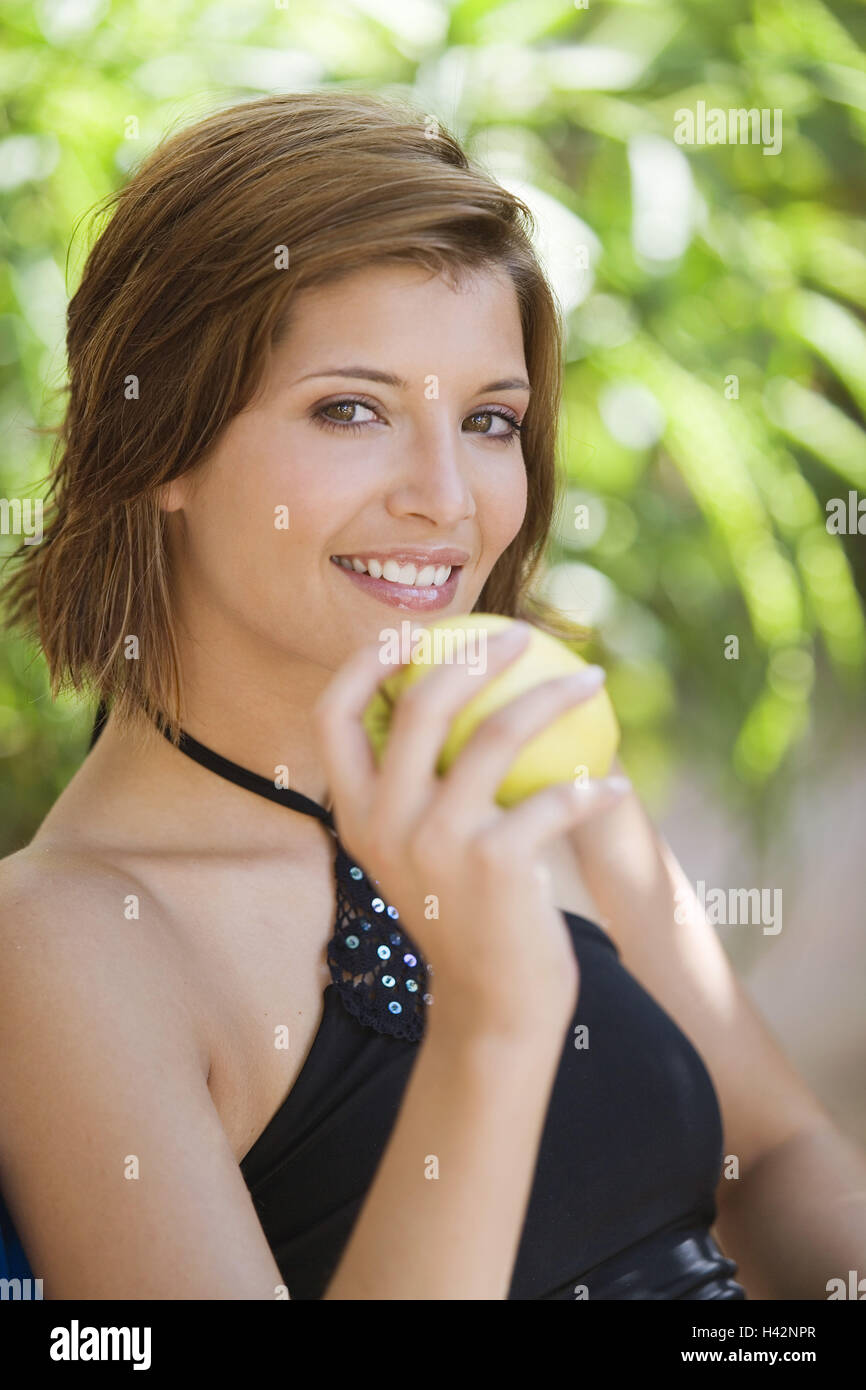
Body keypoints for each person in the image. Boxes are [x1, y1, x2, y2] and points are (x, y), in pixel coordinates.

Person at [1, 90, 863, 1301]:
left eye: (488, 420)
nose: (444, 497)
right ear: (163, 443)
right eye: (351, 408)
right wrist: (493, 1023)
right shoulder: (66, 940)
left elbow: (770, 1155)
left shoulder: (528, 753)